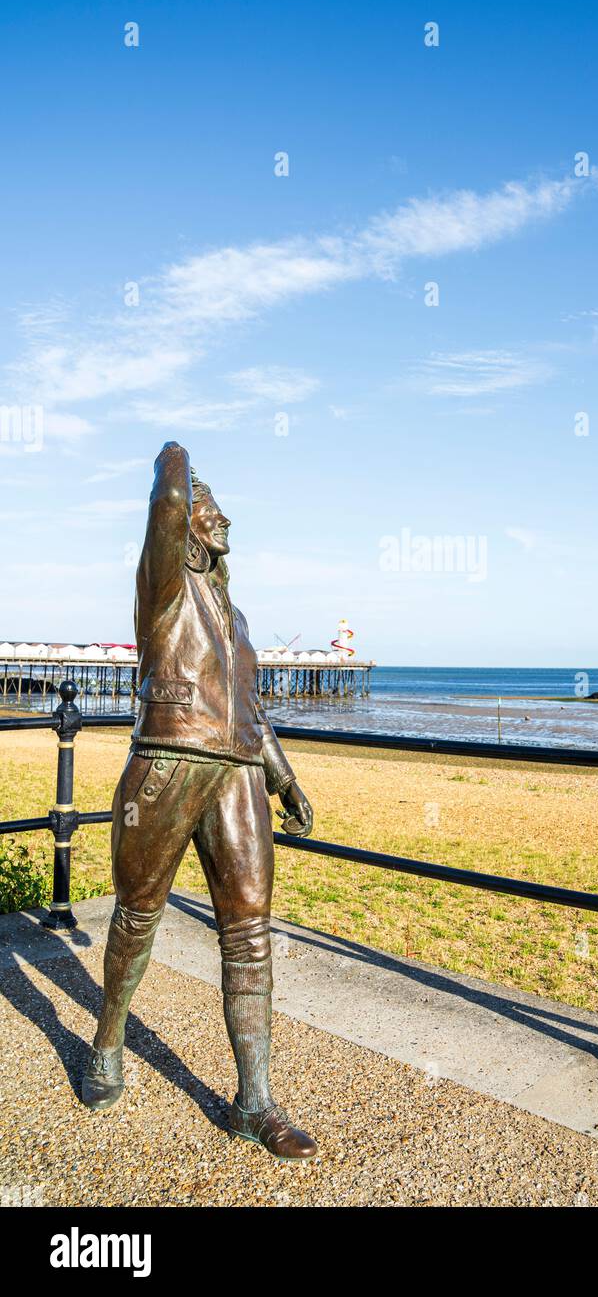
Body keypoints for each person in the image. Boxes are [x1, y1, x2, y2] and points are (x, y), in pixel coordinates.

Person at [81, 441, 317, 1160]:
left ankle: (254, 1101)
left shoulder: (235, 615)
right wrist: (175, 454)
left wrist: (282, 776)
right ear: (184, 527)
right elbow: (170, 499)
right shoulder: (161, 583)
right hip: (167, 767)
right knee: (137, 917)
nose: (224, 520)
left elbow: (250, 708)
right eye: (212, 509)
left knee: (249, 932)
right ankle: (107, 1042)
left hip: (237, 773)